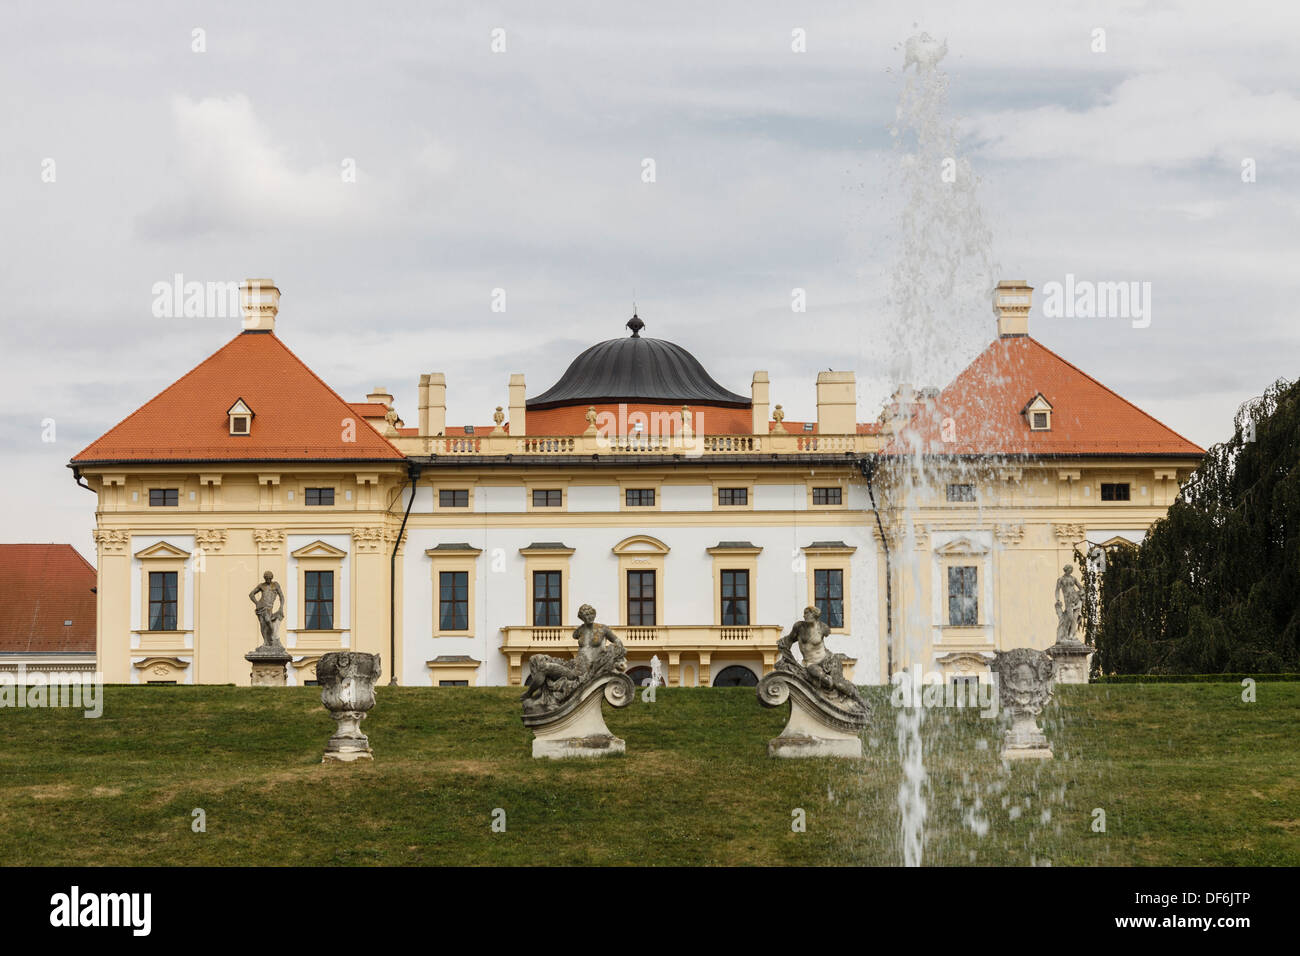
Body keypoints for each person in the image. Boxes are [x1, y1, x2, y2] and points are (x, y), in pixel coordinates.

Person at [249, 571, 284, 646]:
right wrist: (257, 603)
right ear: (264, 578)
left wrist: (281, 607)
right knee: (262, 624)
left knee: (268, 621)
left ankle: (272, 637)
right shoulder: (261, 585)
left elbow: (281, 596)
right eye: (266, 578)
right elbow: (251, 594)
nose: (268, 580)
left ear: (271, 578)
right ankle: (265, 641)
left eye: (269, 578)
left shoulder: (275, 585)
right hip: (260, 607)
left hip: (269, 607)